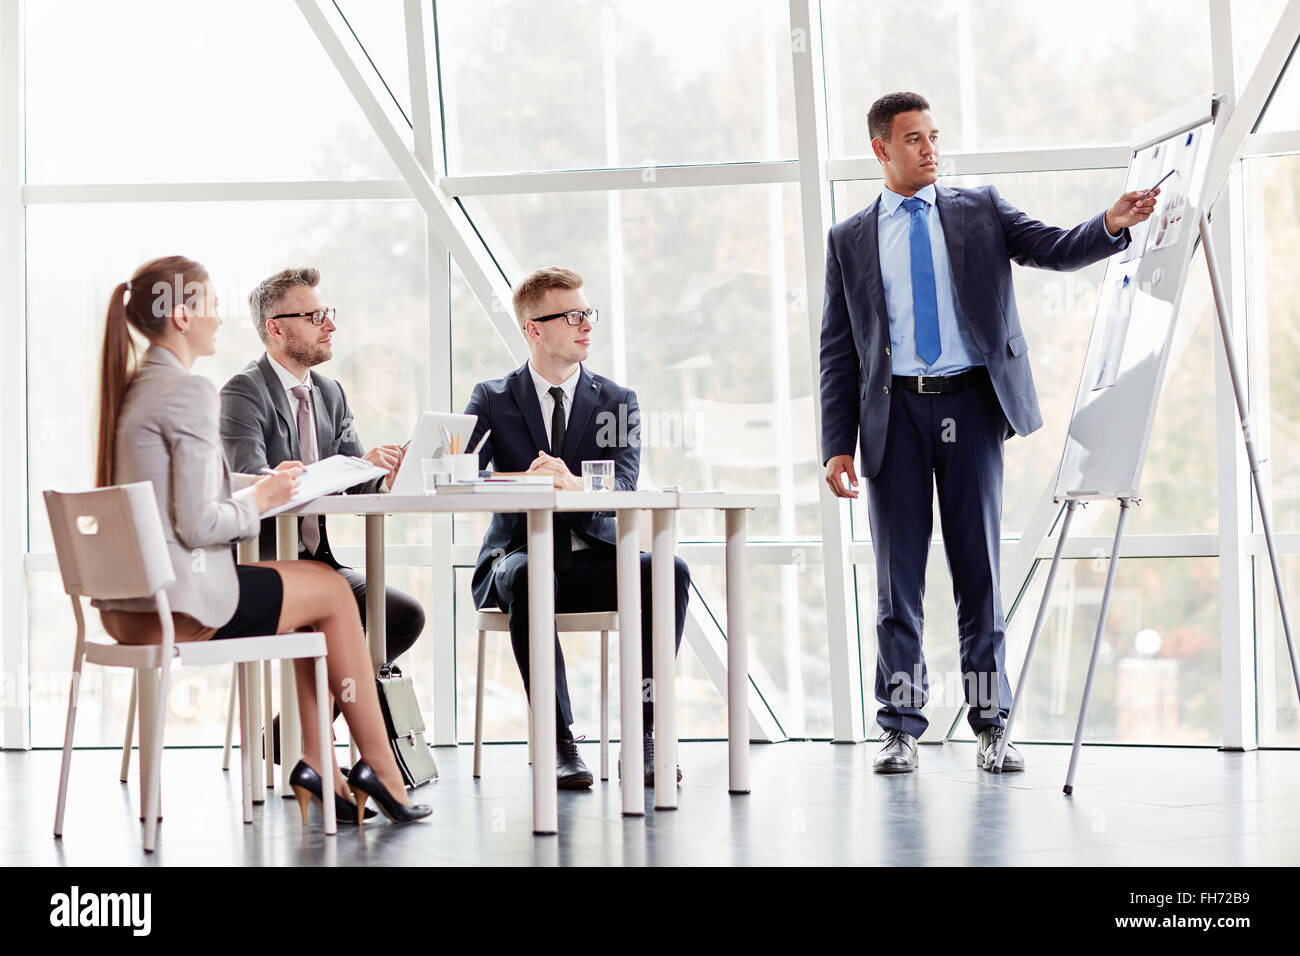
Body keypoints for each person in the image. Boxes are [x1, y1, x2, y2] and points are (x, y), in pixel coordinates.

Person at [819, 92, 1159, 774]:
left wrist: (1110, 224)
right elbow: (839, 348)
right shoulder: (850, 238)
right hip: (895, 417)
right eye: (914, 139)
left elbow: (1055, 250)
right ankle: (899, 727)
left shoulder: (980, 210)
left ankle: (993, 723)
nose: (929, 148)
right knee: (897, 583)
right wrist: (836, 445)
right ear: (882, 149)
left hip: (971, 407)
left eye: (934, 136)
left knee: (979, 572)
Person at [91, 255, 430, 825]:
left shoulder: (141, 387)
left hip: (127, 609)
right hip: (180, 604)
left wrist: (264, 484)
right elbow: (200, 524)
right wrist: (260, 501)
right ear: (181, 315)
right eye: (212, 306)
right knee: (330, 593)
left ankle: (318, 760)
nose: (220, 321)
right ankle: (377, 767)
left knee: (320, 594)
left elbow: (201, 486)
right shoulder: (190, 391)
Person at [464, 266, 691, 789]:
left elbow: (626, 484)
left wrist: (571, 484)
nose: (585, 323)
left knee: (667, 571)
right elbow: (463, 474)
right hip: (517, 560)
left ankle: (647, 733)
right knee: (530, 574)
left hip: (593, 557)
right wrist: (530, 478)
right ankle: (559, 739)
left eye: (587, 312)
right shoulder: (493, 397)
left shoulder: (618, 400)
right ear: (534, 329)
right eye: (570, 316)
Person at [220, 267, 426, 667]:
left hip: (319, 564)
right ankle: (311, 724)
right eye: (315, 316)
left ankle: (294, 727)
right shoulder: (243, 391)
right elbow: (256, 485)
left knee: (401, 616)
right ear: (276, 329)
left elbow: (356, 483)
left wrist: (381, 477)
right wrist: (344, 471)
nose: (329, 324)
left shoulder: (330, 393)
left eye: (327, 312)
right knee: (350, 622)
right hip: (260, 565)